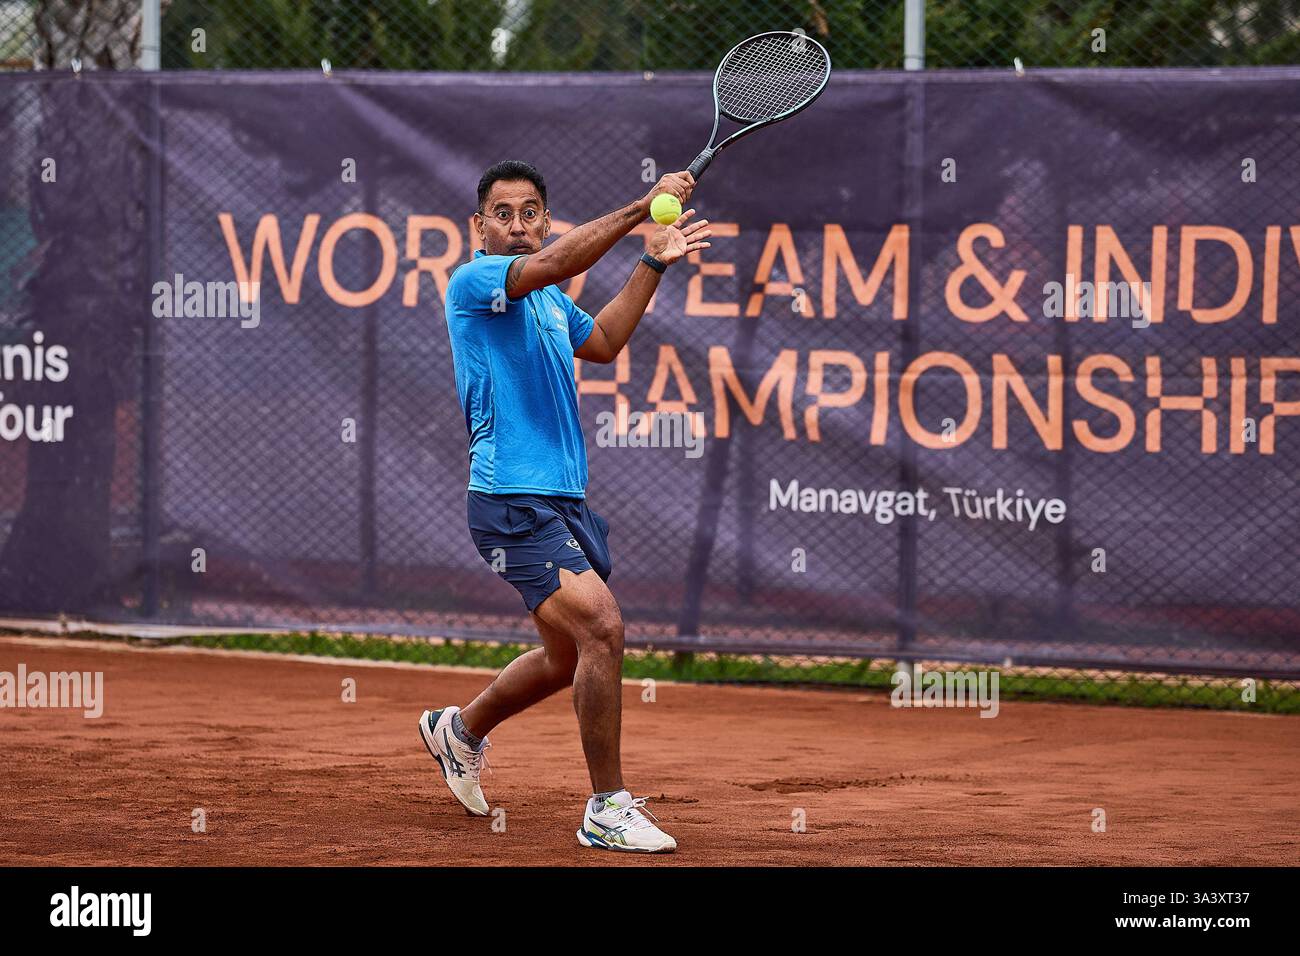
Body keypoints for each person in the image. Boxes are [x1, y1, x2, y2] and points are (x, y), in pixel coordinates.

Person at [420, 160, 712, 853]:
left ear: (545, 218)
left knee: (563, 657)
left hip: (563, 498)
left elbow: (604, 343)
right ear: (479, 226)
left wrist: (652, 260)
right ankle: (606, 808)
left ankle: (458, 732)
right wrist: (645, 203)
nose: (516, 225)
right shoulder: (475, 283)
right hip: (508, 499)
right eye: (502, 213)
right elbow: (551, 265)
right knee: (603, 631)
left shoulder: (551, 302)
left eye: (529, 213)